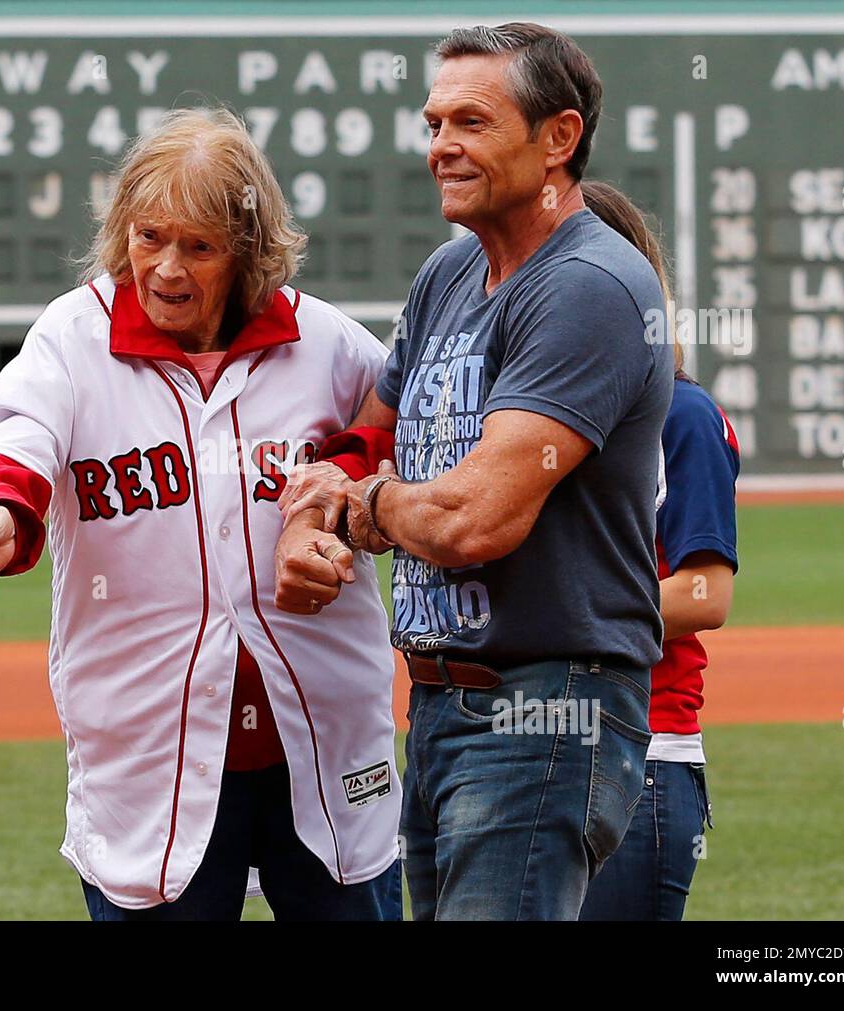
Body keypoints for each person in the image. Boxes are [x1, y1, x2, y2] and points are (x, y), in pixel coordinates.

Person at [0, 107, 402, 921]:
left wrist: (343, 500)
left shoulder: (326, 343)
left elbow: (391, 438)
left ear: (248, 249)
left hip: (323, 740)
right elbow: (12, 437)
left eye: (199, 246)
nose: (167, 267)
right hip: (152, 751)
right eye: (149, 237)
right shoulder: (74, 340)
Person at [274, 23, 673, 920]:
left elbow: (474, 520)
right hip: (440, 703)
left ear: (559, 138)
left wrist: (367, 502)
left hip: (544, 706)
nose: (441, 147)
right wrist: (311, 515)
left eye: (471, 123)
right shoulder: (449, 273)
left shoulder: (587, 285)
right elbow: (367, 436)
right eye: (434, 124)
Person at [577, 180, 739, 921]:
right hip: (534, 750)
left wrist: (564, 620)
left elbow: (706, 594)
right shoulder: (536, 418)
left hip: (642, 753)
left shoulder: (684, 414)